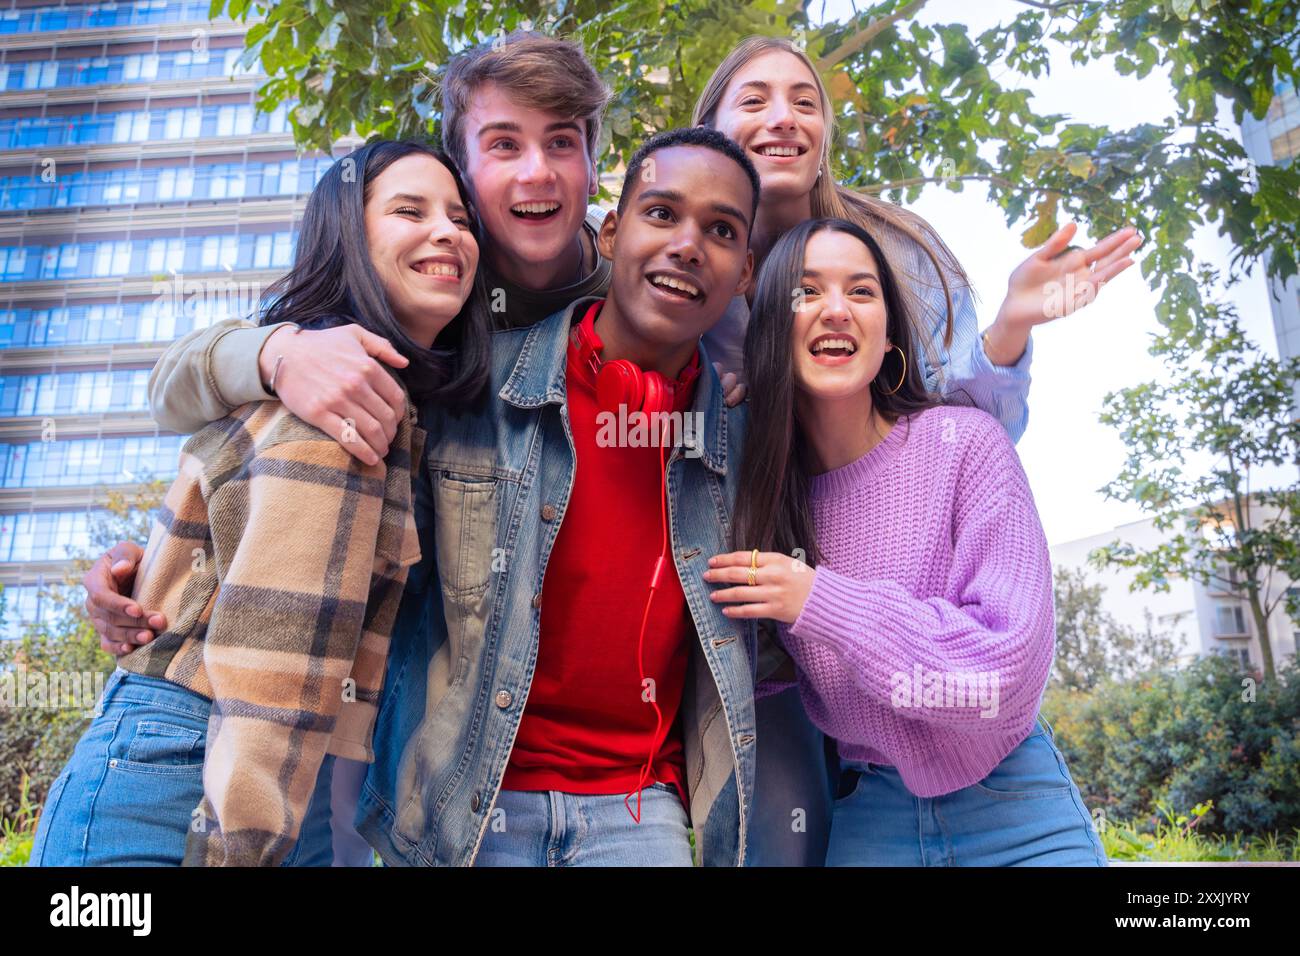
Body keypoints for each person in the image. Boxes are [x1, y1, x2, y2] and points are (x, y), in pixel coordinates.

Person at [693, 34, 1139, 865]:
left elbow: (953, 441)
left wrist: (1007, 330)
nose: (782, 117)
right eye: (753, 100)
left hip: (1002, 785)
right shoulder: (683, 274)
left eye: (805, 99)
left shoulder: (900, 275)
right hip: (849, 769)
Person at [31, 140, 490, 866]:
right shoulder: (337, 405)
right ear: (348, 234)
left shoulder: (377, 405)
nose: (447, 232)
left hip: (267, 790)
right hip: (191, 782)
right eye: (410, 210)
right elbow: (271, 693)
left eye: (461, 219)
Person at [358, 126, 762, 866]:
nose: (688, 245)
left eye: (722, 230)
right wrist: (170, 571)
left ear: (743, 275)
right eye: (662, 214)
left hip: (641, 813)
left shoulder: (744, 438)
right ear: (611, 232)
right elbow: (356, 545)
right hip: (466, 804)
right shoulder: (473, 380)